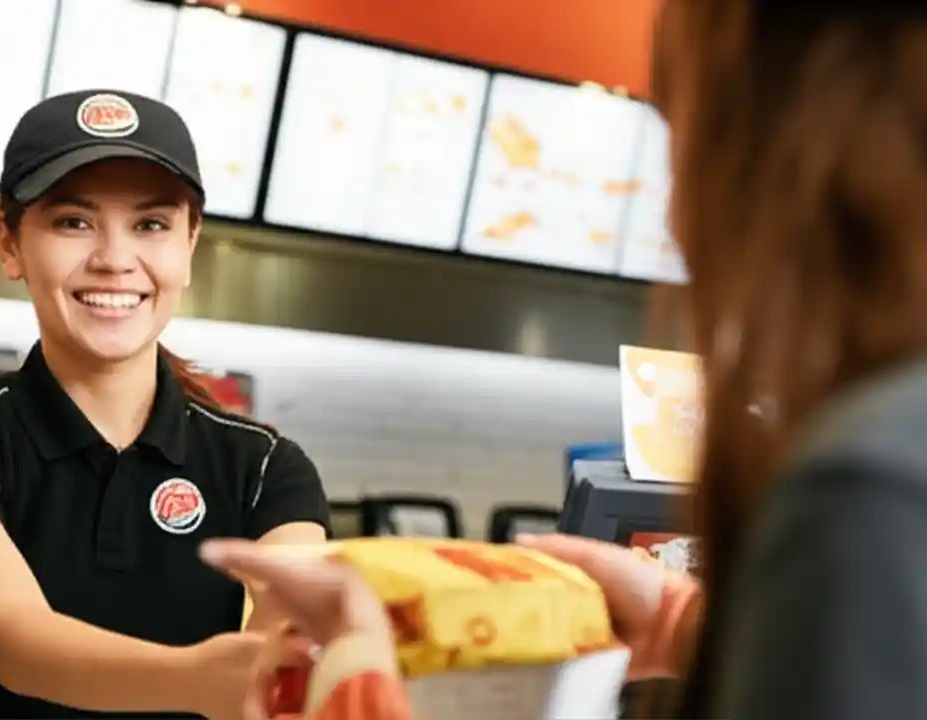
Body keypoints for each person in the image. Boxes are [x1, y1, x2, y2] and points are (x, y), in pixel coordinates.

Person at [201, 1, 927, 718]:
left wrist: (356, 672)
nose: (675, 218)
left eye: (687, 141)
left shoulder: (866, 486)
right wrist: (681, 627)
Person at [0, 89, 330, 719]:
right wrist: (203, 679)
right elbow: (17, 643)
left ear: (189, 245)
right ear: (9, 242)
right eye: (73, 222)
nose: (115, 260)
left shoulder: (263, 468)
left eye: (151, 225)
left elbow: (291, 637)